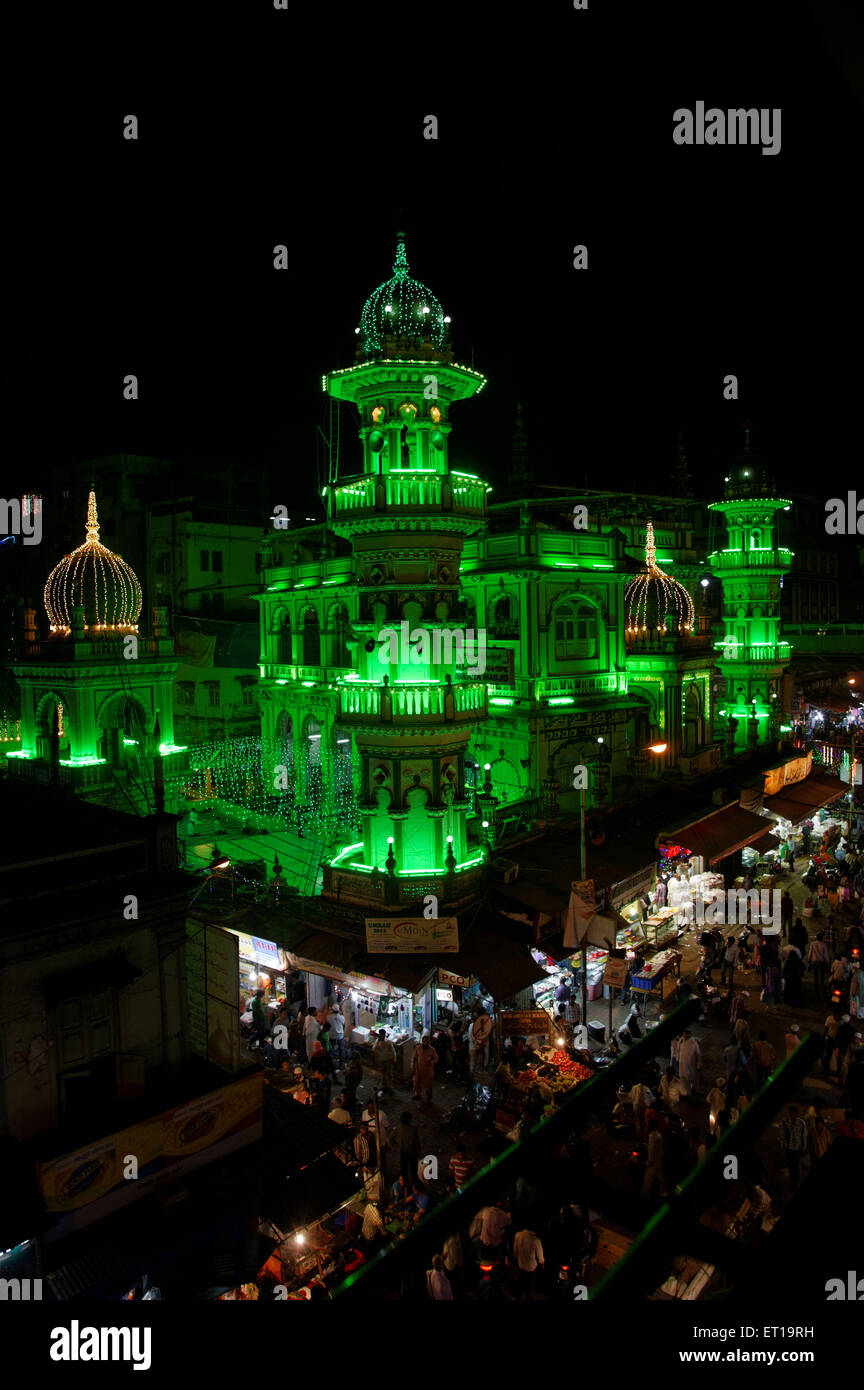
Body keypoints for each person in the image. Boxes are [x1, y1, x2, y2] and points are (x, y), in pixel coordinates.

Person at [778, 1106, 808, 1185]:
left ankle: (795, 1183)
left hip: (797, 1149)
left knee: (796, 1167)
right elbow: (781, 1135)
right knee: (790, 1167)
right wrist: (782, 1146)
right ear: (789, 1114)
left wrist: (804, 1147)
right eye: (791, 1114)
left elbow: (804, 1136)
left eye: (794, 1114)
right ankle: (791, 1183)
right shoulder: (784, 1123)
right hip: (788, 1149)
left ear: (796, 1114)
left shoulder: (801, 1123)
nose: (792, 1116)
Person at [513, 1227, 544, 1299]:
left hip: (520, 1265)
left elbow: (515, 1253)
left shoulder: (518, 1235)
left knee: (520, 1287)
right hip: (531, 1268)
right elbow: (540, 1258)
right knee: (530, 1290)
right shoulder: (536, 1240)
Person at [393, 1111, 421, 1181]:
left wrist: (399, 1142)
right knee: (414, 1170)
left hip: (403, 1152)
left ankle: (404, 1183)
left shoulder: (398, 1128)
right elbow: (417, 1142)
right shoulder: (413, 1129)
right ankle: (414, 1183)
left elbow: (391, 1139)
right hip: (413, 1152)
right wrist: (419, 1152)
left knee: (403, 1169)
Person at [411, 1035, 439, 1104]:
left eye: (427, 1042)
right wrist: (413, 1067)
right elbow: (414, 1058)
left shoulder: (432, 1050)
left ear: (429, 1042)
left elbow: (436, 1059)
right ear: (422, 1042)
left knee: (428, 1086)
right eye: (424, 1042)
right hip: (418, 1070)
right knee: (416, 1083)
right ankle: (418, 1095)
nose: (425, 1043)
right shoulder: (418, 1048)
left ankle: (429, 1099)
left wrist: (431, 1062)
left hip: (428, 1071)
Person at [642, 1119, 666, 1197]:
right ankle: (663, 1192)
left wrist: (649, 1162)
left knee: (647, 1182)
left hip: (653, 1163)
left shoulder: (653, 1137)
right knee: (659, 1177)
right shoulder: (658, 1135)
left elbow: (651, 1151)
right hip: (658, 1161)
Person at [678, 1030, 702, 1097]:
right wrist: (678, 1058)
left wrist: (699, 1064)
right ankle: (685, 1091)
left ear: (689, 1035)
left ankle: (692, 1090)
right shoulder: (681, 1040)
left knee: (690, 1077)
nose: (684, 1037)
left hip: (690, 1064)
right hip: (682, 1063)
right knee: (682, 1077)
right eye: (684, 1035)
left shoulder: (693, 1042)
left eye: (686, 1036)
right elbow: (678, 1050)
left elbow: (698, 1054)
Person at [373, 1030, 396, 1095]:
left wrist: (394, 1058)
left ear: (384, 1035)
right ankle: (384, 1086)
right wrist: (378, 1041)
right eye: (380, 1035)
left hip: (388, 1059)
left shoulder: (388, 1042)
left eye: (383, 1035)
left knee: (389, 1074)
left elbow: (393, 1050)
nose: (381, 1036)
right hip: (381, 1060)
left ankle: (390, 1087)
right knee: (383, 1073)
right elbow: (374, 1049)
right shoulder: (377, 1041)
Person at [808, 933, 831, 998]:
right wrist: (827, 962)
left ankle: (816, 985)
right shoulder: (824, 945)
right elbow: (826, 954)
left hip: (815, 961)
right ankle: (822, 984)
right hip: (822, 962)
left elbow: (810, 953)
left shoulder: (813, 944)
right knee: (822, 974)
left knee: (815, 974)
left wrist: (809, 960)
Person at [328, 1004, 346, 1071]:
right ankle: (341, 1065)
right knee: (341, 1049)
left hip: (332, 1035)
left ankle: (332, 1065)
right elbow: (343, 1023)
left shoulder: (328, 1017)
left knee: (331, 1049)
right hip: (340, 1035)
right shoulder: (341, 1017)